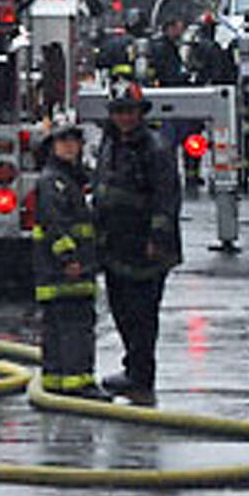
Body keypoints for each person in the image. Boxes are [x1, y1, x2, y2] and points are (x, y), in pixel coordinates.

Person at [91, 78, 182, 407]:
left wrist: (157, 238)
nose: (124, 118)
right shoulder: (110, 143)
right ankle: (133, 369)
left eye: (130, 111)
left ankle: (141, 376)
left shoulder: (155, 149)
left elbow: (166, 198)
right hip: (116, 243)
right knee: (121, 311)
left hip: (145, 247)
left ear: (140, 113)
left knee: (142, 314)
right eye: (119, 111)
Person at [32, 123, 104, 399]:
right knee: (75, 327)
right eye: (63, 141)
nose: (70, 146)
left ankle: (55, 379)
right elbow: (54, 224)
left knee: (57, 326)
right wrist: (68, 258)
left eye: (74, 141)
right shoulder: (54, 181)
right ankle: (79, 382)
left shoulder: (68, 179)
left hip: (58, 270)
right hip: (66, 269)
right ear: (52, 147)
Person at [144, 15, 189, 88]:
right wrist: (182, 77)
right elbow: (166, 72)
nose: (181, 32)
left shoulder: (170, 45)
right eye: (179, 29)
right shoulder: (161, 47)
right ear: (170, 28)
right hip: (166, 87)